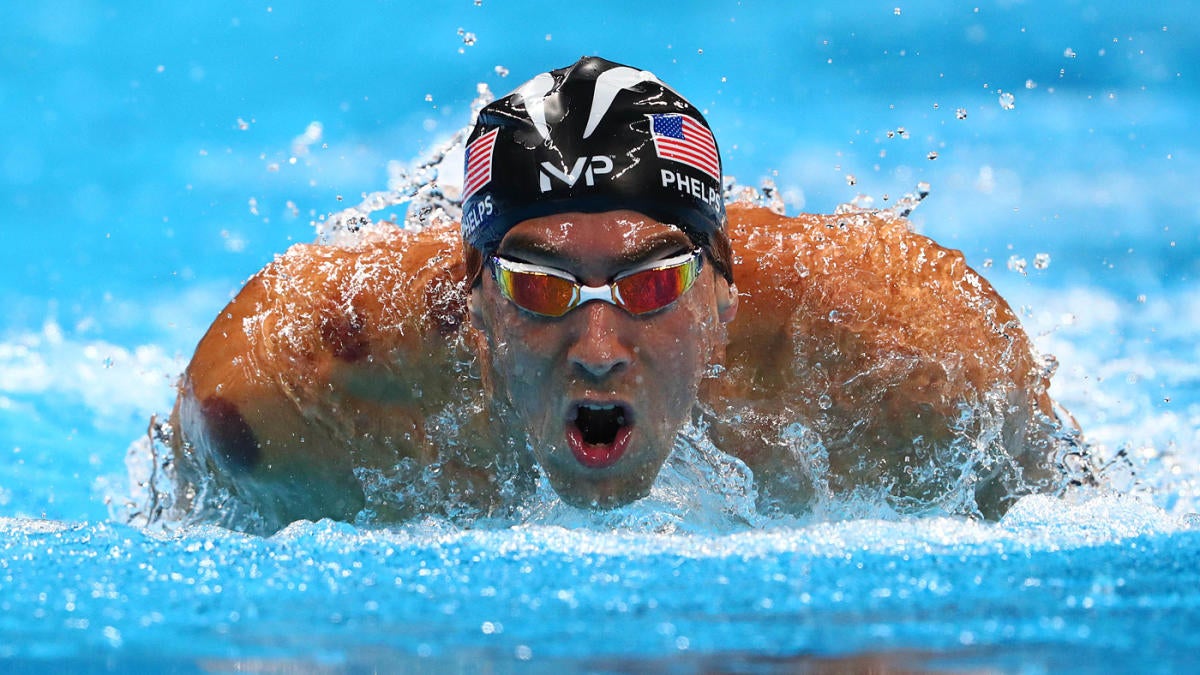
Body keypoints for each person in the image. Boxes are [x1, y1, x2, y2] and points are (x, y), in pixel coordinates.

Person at [161, 56, 1077, 534]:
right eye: (537, 286)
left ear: (721, 293)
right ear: (473, 299)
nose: (597, 343)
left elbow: (1071, 523)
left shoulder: (906, 356)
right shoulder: (294, 394)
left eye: (648, 283)